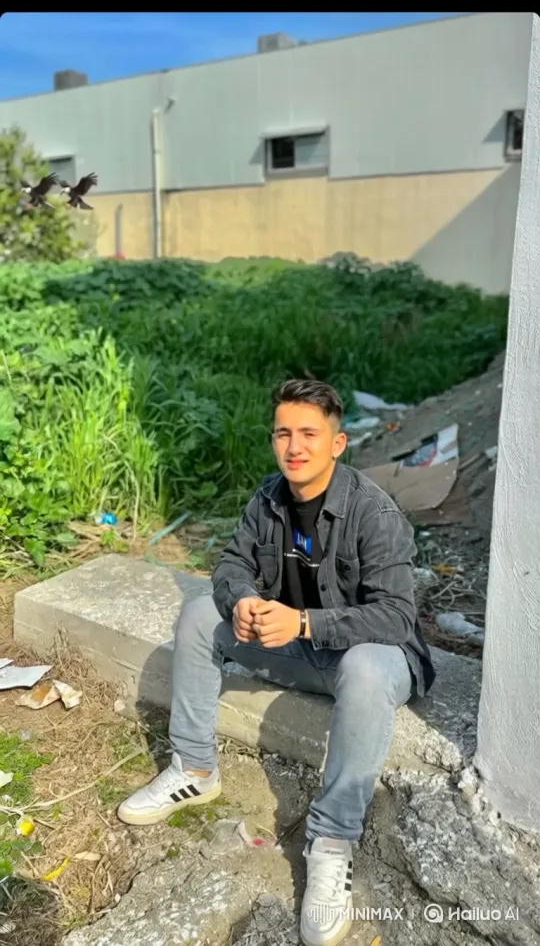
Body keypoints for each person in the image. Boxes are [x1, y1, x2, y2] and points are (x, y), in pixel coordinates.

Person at [118, 378, 435, 946]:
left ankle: (333, 842)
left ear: (337, 444)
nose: (296, 446)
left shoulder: (373, 511)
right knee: (198, 617)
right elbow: (231, 563)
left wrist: (306, 622)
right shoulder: (268, 498)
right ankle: (193, 771)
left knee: (363, 668)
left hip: (372, 660)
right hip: (302, 651)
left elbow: (396, 617)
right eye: (284, 433)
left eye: (310, 433)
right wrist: (240, 599)